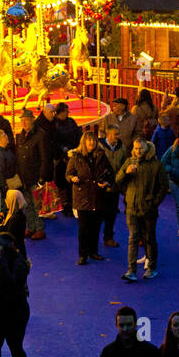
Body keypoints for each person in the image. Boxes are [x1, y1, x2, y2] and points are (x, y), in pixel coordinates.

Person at [116, 137, 170, 282]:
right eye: (135, 148)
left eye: (140, 148)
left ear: (146, 148)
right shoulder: (129, 162)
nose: (138, 151)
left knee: (149, 238)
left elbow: (164, 186)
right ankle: (131, 270)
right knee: (133, 238)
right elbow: (118, 180)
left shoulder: (156, 165)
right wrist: (126, 173)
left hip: (148, 209)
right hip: (132, 207)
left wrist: (154, 202)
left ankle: (151, 267)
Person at [66, 129, 112, 264]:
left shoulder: (102, 156)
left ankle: (93, 251)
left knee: (96, 226)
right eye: (89, 140)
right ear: (84, 142)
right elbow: (68, 174)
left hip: (98, 196)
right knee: (83, 228)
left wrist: (106, 182)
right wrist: (72, 178)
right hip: (82, 197)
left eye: (93, 140)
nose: (91, 142)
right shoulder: (76, 157)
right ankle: (83, 254)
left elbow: (110, 172)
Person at [13, 109, 50, 239]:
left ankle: (39, 229)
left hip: (35, 176)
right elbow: (18, 156)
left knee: (37, 205)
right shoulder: (20, 136)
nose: (23, 122)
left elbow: (45, 158)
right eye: (22, 120)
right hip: (23, 177)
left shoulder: (41, 135)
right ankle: (31, 227)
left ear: (32, 120)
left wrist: (41, 177)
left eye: (26, 120)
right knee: (27, 205)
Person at [97, 305, 162, 357]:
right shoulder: (107, 352)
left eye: (129, 325)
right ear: (116, 326)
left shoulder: (151, 352)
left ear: (136, 325)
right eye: (121, 325)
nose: (125, 329)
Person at [51, 102, 81, 218]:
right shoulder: (54, 124)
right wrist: (63, 149)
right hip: (61, 157)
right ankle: (65, 203)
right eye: (66, 111)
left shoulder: (71, 122)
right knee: (62, 181)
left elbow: (78, 134)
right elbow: (54, 140)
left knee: (71, 179)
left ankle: (71, 202)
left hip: (73, 154)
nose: (68, 114)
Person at [99, 123, 127, 247]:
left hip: (114, 186)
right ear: (108, 134)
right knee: (98, 215)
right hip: (100, 187)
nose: (118, 136)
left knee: (111, 214)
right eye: (116, 134)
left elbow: (124, 164)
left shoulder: (122, 148)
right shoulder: (99, 147)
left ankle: (108, 237)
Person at [0, 129, 18, 221]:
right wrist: (4, 187)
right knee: (3, 212)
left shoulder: (4, 150)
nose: (7, 136)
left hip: (3, 185)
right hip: (1, 187)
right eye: (4, 135)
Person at [0, 189, 29, 257]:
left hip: (14, 254)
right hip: (17, 251)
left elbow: (9, 236)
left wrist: (0, 228)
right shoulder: (15, 214)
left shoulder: (16, 218)